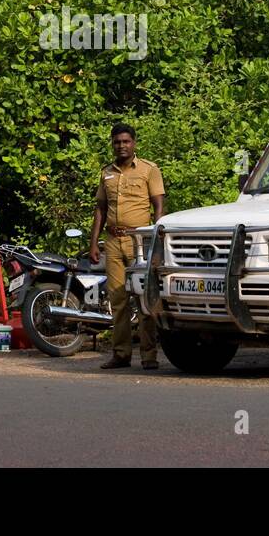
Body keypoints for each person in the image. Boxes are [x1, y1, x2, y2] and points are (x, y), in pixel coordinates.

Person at [90, 123, 164, 370]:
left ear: (134, 143)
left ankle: (149, 356)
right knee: (118, 300)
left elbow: (158, 206)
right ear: (112, 144)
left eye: (126, 141)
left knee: (144, 299)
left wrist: (156, 240)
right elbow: (100, 209)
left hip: (139, 241)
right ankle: (120, 354)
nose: (121, 146)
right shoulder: (107, 173)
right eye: (117, 142)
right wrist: (93, 243)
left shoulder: (148, 170)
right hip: (113, 242)